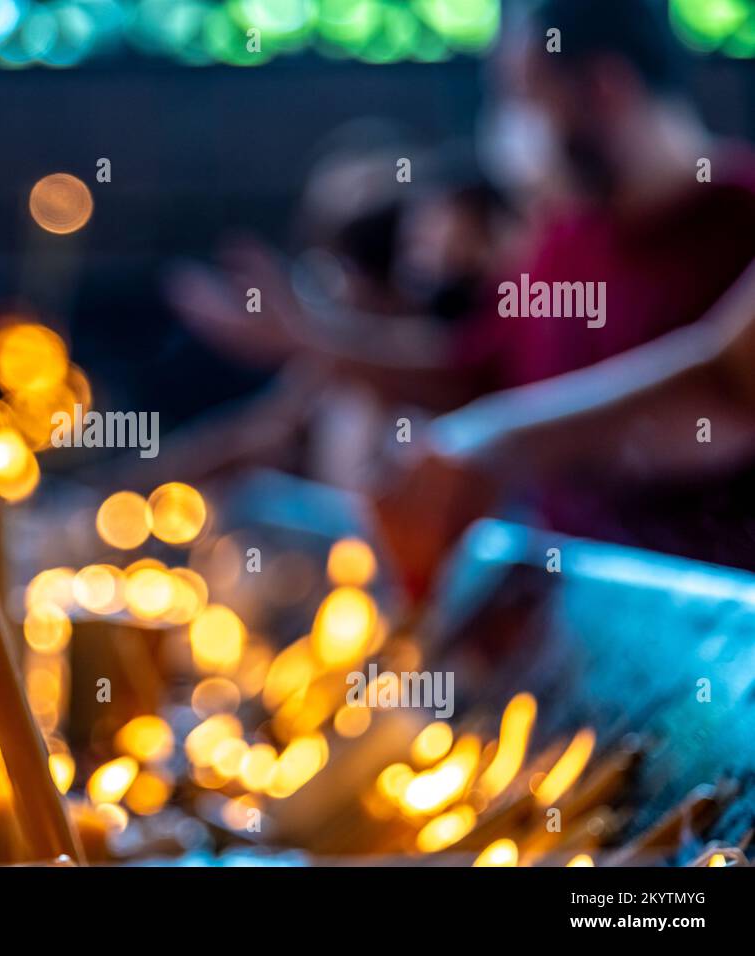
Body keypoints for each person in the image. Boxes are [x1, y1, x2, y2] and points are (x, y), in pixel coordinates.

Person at [169, 0, 755, 598]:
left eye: (524, 97)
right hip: (570, 633)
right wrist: (314, 339)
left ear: (604, 88)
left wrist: (496, 444)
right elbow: (477, 371)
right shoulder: (562, 240)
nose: (508, 130)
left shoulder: (741, 219)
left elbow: (731, 393)